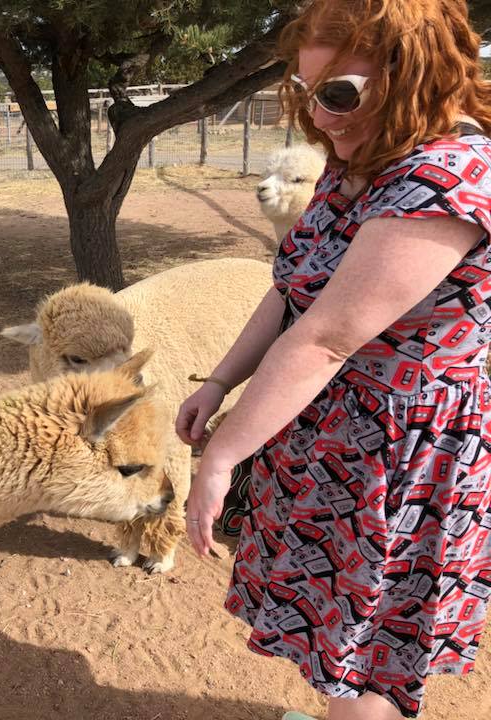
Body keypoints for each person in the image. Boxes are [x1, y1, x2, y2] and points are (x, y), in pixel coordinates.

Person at [175, 2, 491, 719]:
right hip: (329, 440)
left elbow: (329, 337)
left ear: (413, 74)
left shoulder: (448, 177)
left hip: (397, 460)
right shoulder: (364, 160)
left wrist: (222, 458)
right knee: (331, 634)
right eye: (307, 92)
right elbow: (293, 289)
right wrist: (222, 380)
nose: (320, 116)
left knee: (366, 649)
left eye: (339, 92)